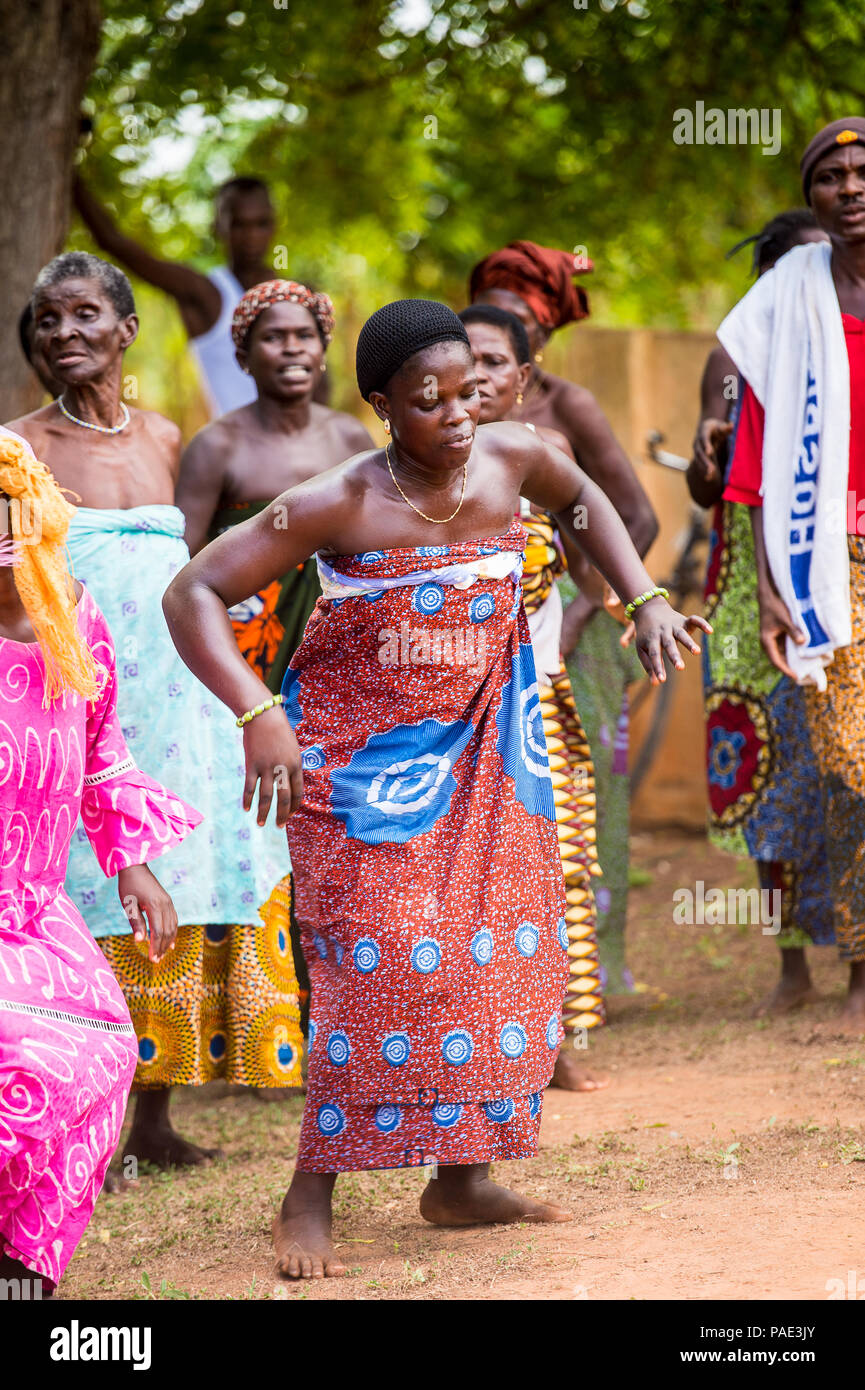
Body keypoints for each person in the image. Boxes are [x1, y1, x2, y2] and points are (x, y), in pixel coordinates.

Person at [162, 298, 707, 1279]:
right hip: (356, 770)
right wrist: (257, 712)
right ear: (380, 405)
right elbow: (190, 589)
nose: (459, 414)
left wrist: (644, 598)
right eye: (429, 400)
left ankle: (461, 1180)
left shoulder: (514, 458)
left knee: (492, 957)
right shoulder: (335, 500)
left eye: (470, 391)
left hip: (490, 752)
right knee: (378, 966)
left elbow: (584, 497)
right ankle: (310, 1192)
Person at [6, 251, 297, 1170]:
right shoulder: (15, 449)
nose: (67, 335)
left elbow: (198, 560)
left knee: (175, 873)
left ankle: (155, 1118)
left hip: (182, 698)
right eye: (48, 322)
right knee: (86, 884)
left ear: (128, 329)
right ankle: (73, 1107)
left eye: (86, 316)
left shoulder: (171, 438)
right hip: (76, 702)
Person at [0, 429, 199, 1297]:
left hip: (35, 909)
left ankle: (24, 1269)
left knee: (104, 1053)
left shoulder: (72, 616)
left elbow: (102, 745)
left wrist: (134, 864)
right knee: (24, 1062)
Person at [176, 279, 374, 1029]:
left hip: (337, 654)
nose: (291, 348)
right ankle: (264, 1020)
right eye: (272, 336)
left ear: (324, 349)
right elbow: (186, 566)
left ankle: (334, 1011)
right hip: (250, 663)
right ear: (244, 351)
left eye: (304, 335)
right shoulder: (217, 445)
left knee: (331, 819)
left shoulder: (351, 440)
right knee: (259, 825)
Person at [469, 241, 657, 998]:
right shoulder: (439, 423)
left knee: (581, 812)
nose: (483, 361)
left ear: (536, 341)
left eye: (517, 326)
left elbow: (630, 517)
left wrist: (590, 606)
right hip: (483, 650)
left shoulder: (563, 413)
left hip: (573, 632)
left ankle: (590, 981)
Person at [718, 118, 865, 1031]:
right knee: (848, 763)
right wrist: (772, 582)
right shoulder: (787, 294)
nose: (848, 187)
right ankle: (858, 967)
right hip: (827, 559)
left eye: (862, 171)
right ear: (808, 194)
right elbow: (756, 446)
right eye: (829, 176)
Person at [687, 211, 835, 1016]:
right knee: (758, 768)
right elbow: (705, 488)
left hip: (832, 574)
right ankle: (789, 962)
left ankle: (853, 956)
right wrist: (711, 447)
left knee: (839, 763)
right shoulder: (734, 353)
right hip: (745, 589)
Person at [458, 303, 608, 1091]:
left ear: (522, 379)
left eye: (492, 363)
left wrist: (619, 607)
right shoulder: (422, 465)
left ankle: (548, 1041)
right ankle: (481, 1040)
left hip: (536, 702)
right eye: (463, 360)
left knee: (552, 871)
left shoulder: (542, 458)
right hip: (449, 719)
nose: (476, 377)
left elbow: (592, 560)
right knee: (467, 881)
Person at [73, 173, 298, 417]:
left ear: (274, 225)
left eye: (260, 223)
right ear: (217, 226)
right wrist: (72, 174)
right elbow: (114, 242)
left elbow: (318, 383)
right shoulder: (207, 295)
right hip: (239, 450)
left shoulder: (296, 296)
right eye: (239, 224)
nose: (251, 236)